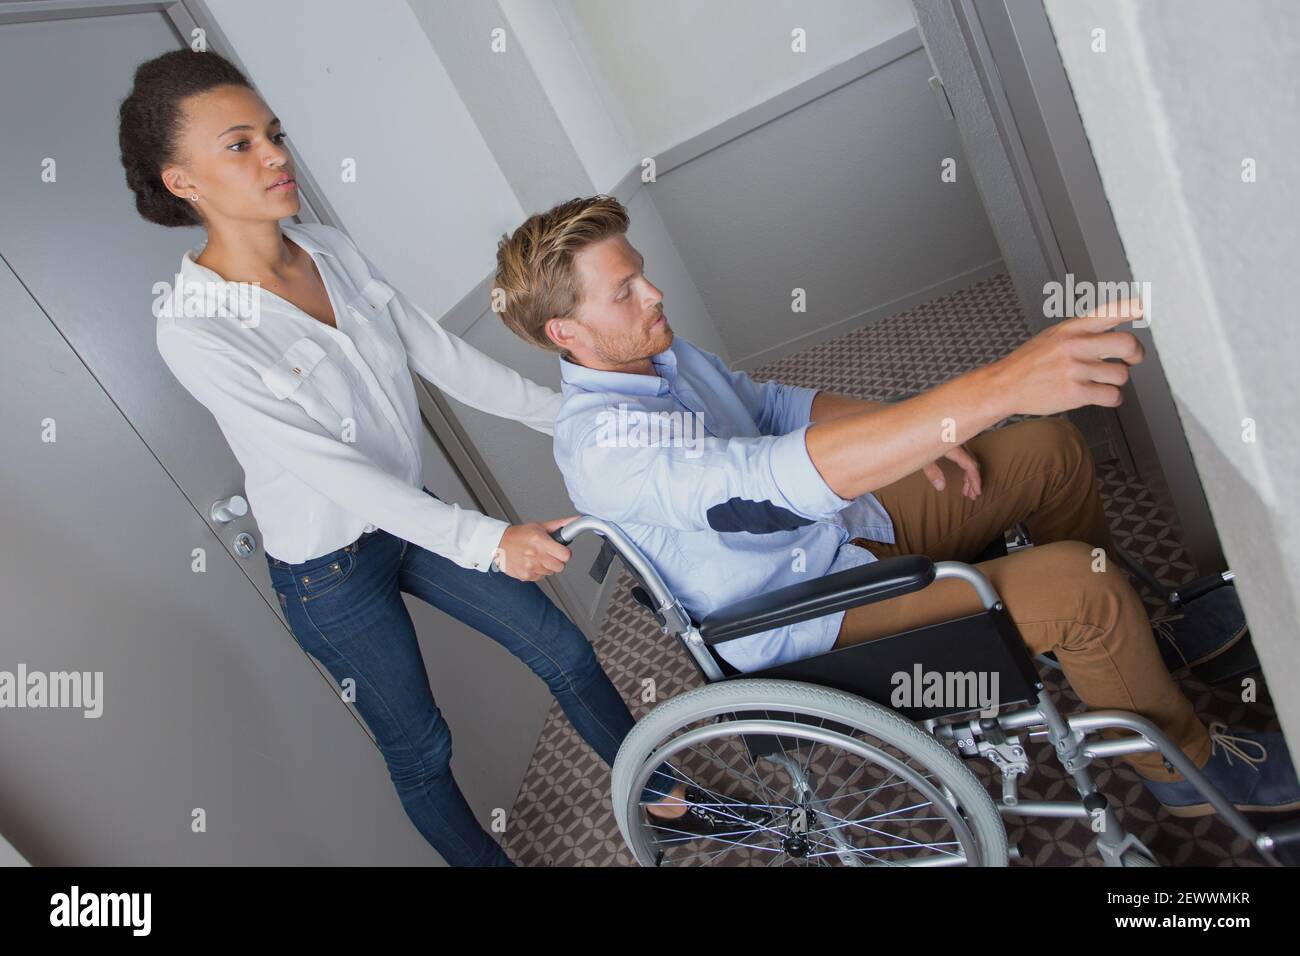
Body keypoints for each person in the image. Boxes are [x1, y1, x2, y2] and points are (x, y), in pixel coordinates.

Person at [492, 194, 1300, 819]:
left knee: (1045, 453)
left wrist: (906, 429)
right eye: (625, 290)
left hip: (844, 529)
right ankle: (1184, 769)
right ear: (567, 333)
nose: (653, 291)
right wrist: (982, 393)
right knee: (1081, 592)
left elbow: (773, 407)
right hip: (806, 617)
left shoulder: (660, 351)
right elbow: (767, 484)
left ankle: (1140, 648)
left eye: (643, 271)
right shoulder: (603, 446)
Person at [118, 50, 695, 866]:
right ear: (183, 181)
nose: (277, 155)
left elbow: (444, 360)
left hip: (408, 514)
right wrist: (488, 539)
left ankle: (669, 800)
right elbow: (329, 469)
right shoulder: (194, 326)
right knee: (422, 750)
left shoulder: (328, 249)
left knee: (561, 648)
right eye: (240, 144)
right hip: (327, 570)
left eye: (274, 133)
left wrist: (593, 412)